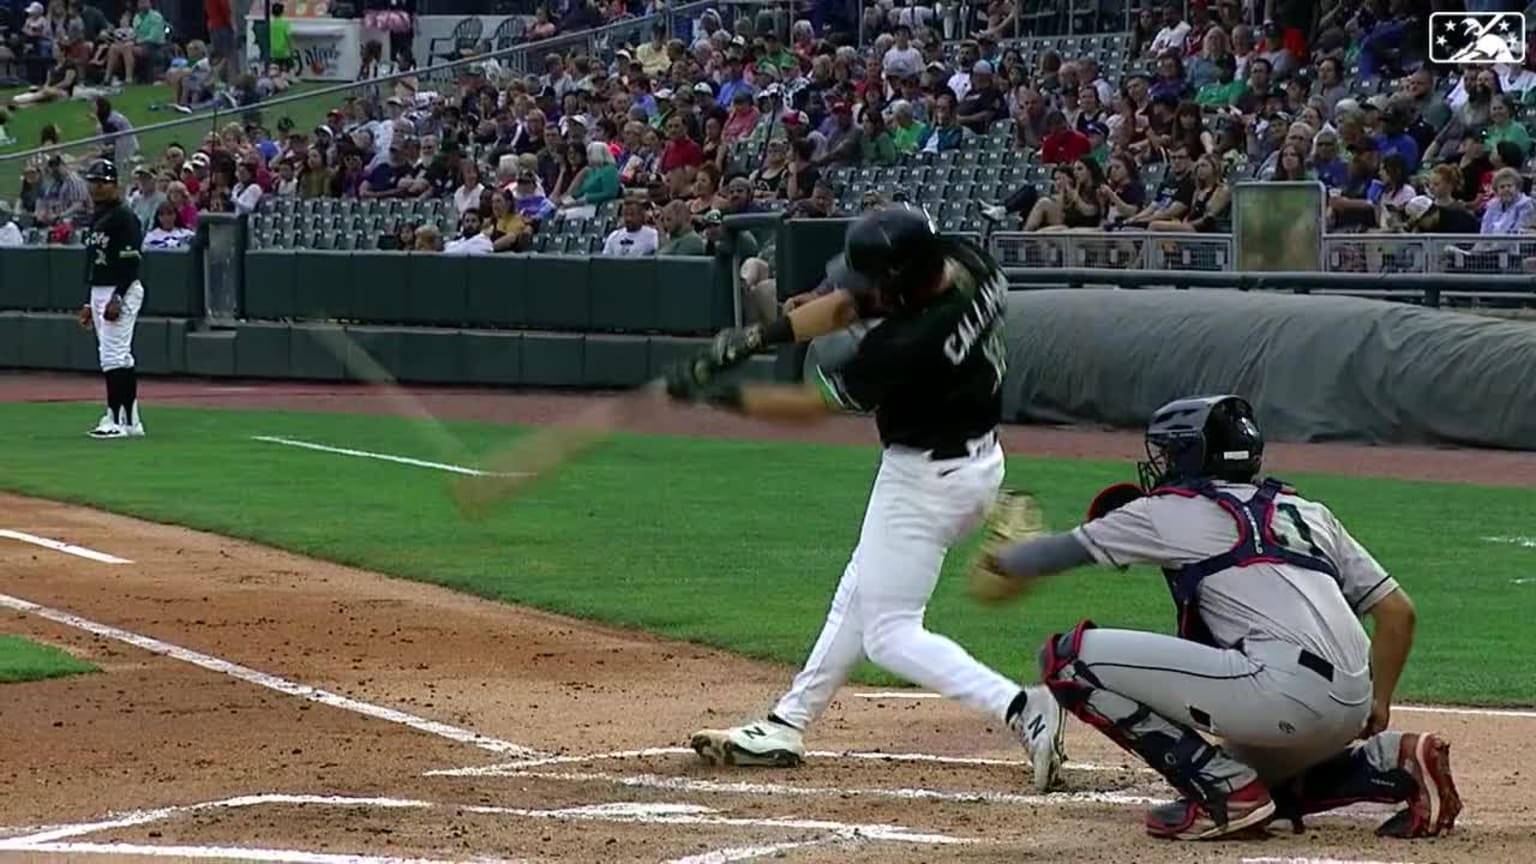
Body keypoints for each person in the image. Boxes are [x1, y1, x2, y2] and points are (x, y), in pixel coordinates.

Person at [662, 208, 1067, 792]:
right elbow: (852, 302)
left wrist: (718, 393)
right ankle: (787, 723)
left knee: (890, 632)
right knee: (860, 591)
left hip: (925, 482)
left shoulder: (908, 345)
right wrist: (756, 338)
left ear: (901, 282)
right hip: (973, 464)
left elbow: (810, 406)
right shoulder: (968, 262)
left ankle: (1020, 706)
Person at [972, 394, 1461, 841]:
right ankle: (1394, 759)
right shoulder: (1306, 510)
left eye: (1168, 451)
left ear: (1191, 454)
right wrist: (1378, 701)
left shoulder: (1167, 511)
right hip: (1349, 704)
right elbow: (1398, 612)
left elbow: (1046, 558)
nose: (1159, 463)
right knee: (1270, 783)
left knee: (1067, 660)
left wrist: (1003, 557)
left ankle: (1226, 796)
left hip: (1280, 694)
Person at [76, 159, 146, 439]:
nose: (95, 188)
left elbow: (131, 261)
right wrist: (87, 301)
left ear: (114, 184)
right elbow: (94, 261)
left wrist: (118, 295)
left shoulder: (123, 216)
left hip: (120, 288)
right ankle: (129, 421)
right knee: (119, 357)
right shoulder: (98, 216)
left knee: (113, 356)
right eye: (92, 182)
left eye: (101, 182)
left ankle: (115, 420)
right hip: (100, 288)